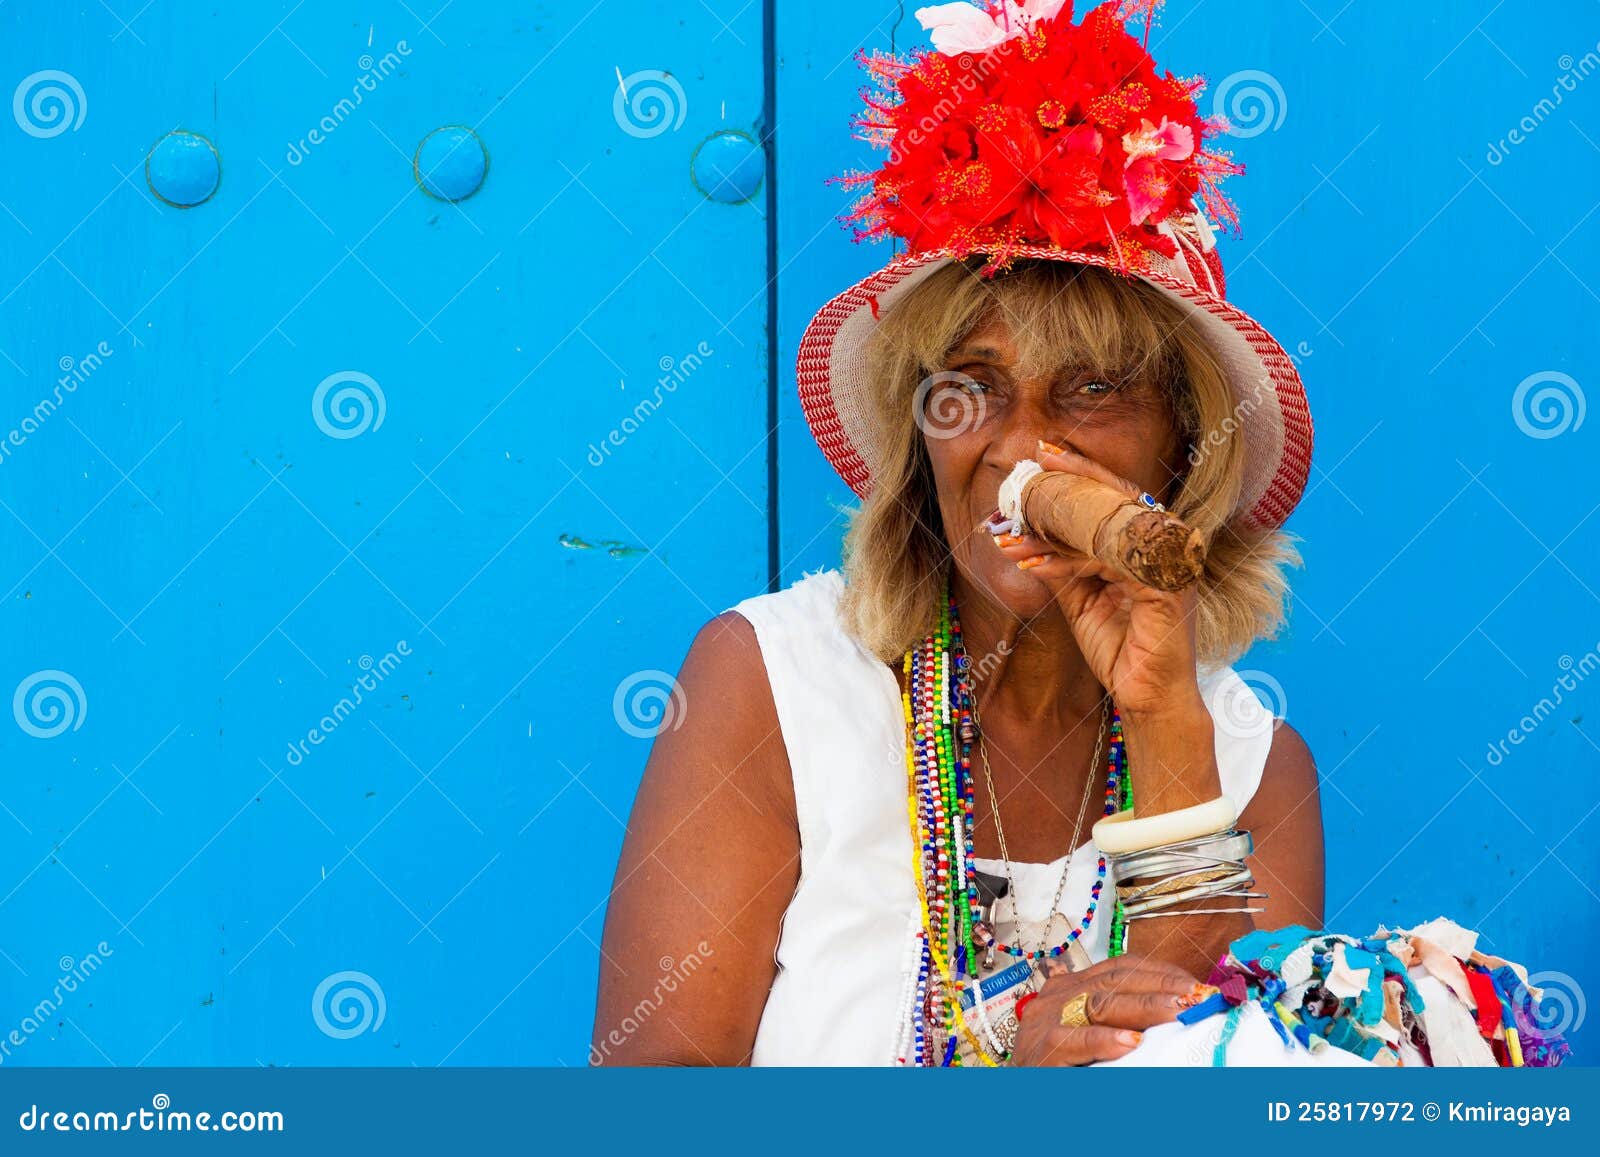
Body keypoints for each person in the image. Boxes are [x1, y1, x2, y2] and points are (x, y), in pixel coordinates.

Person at [595, 0, 1322, 1066]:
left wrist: (1164, 720)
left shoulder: (1257, 769)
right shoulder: (773, 683)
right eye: (969, 390)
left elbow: (1211, 1071)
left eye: (1091, 389)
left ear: (1183, 445)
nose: (1020, 451)